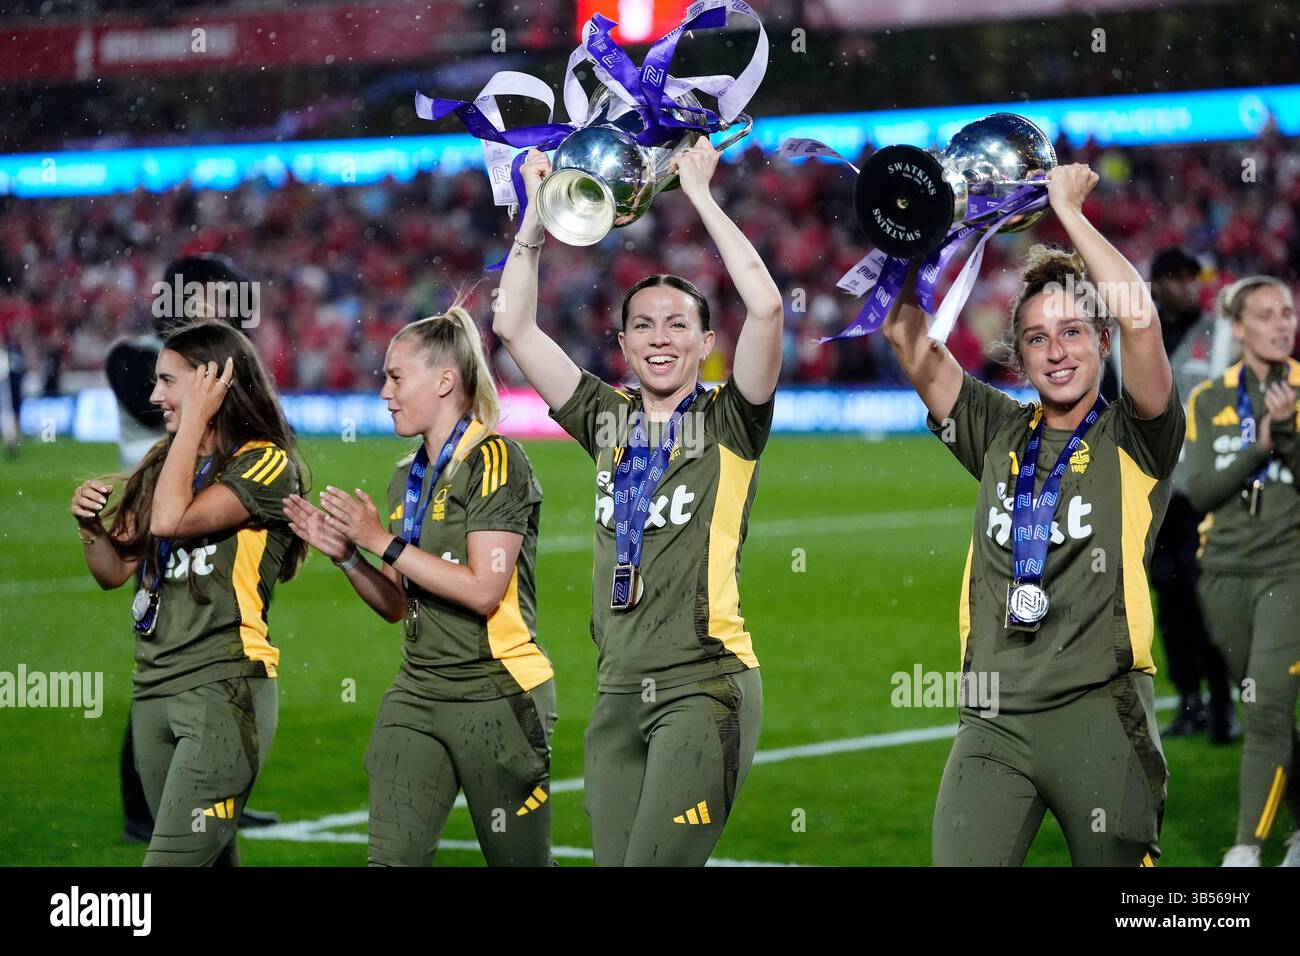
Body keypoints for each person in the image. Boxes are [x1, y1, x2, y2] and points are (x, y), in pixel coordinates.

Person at [492, 140, 784, 866]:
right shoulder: (605, 419)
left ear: (707, 341)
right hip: (616, 693)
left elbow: (770, 306)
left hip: (706, 685)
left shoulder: (732, 423)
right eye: (644, 326)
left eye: (678, 324)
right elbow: (512, 327)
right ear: (622, 343)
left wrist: (703, 197)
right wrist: (537, 210)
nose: (661, 338)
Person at [884, 164, 1184, 866]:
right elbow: (904, 332)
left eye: (1076, 331)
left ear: (1102, 344)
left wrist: (1070, 215)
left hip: (1101, 712)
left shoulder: (1136, 438)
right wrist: (927, 231)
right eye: (1039, 338)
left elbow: (1140, 316)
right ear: (1017, 356)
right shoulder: (997, 429)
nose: (1058, 351)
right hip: (992, 720)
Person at [284, 307, 556, 866]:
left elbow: (485, 590)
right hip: (418, 690)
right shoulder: (406, 473)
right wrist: (347, 557)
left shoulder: (497, 460)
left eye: (395, 376)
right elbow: (395, 603)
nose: (384, 391)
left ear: (444, 381)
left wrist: (381, 541)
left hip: (498, 691)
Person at [70, 320, 307, 866]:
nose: (154, 396)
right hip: (152, 688)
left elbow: (172, 519)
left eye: (168, 382)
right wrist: (90, 528)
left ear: (211, 384)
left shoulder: (265, 462)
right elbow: (112, 571)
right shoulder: (164, 460)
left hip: (222, 687)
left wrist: (195, 421)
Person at [104, 254, 280, 842]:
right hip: (156, 505)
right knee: (166, 643)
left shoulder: (206, 359)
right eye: (216, 298)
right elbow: (148, 406)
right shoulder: (141, 357)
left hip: (210, 498)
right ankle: (145, 807)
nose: (231, 311)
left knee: (211, 631)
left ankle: (206, 791)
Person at [1182, 275, 1300, 867]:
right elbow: (1199, 491)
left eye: (1288, 313)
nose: (1282, 324)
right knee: (1264, 708)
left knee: (1272, 706)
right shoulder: (1209, 399)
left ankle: (1245, 851)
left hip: (1291, 571)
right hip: (1222, 574)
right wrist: (1260, 446)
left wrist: (1290, 441)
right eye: (1266, 315)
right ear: (1238, 328)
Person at [1143, 248, 1238, 743]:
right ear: (1154, 285)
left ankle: (1224, 705)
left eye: (1190, 278)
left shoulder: (1222, 337)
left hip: (1207, 493)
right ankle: (1189, 701)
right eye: (1174, 278)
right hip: (1158, 495)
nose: (1186, 286)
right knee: (1170, 598)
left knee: (1210, 598)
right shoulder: (1132, 340)